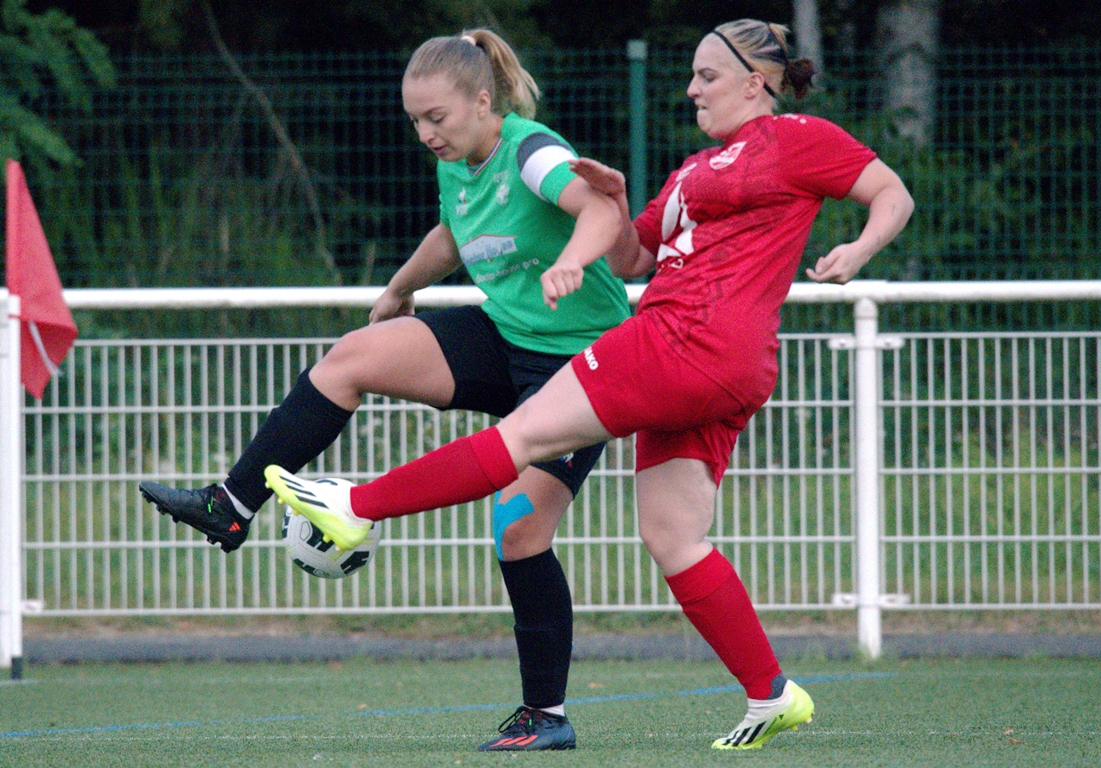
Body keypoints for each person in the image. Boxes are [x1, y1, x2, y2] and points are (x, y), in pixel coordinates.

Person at [265, 18, 914, 751]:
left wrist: (859, 248)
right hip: (727, 366)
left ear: (754, 84)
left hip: (682, 341)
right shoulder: (691, 175)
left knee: (523, 434)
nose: (692, 88)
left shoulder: (796, 137)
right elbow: (634, 258)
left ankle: (356, 505)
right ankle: (771, 691)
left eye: (706, 76)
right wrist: (614, 198)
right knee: (673, 537)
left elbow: (890, 192)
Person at [139, 28, 632, 752]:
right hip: (506, 339)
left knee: (518, 529)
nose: (425, 132)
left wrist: (572, 265)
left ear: (483, 101)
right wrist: (399, 289)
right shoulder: (462, 163)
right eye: (415, 121)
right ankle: (233, 504)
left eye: (437, 117)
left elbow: (601, 210)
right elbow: (453, 233)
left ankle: (546, 716)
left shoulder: (532, 151)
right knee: (350, 358)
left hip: (582, 362)